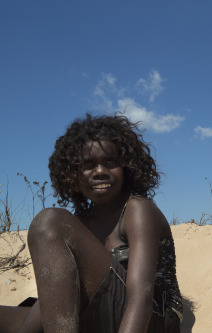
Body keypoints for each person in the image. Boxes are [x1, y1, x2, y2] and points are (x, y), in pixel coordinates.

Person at [0, 114, 182, 333]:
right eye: (88, 165)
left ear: (127, 168)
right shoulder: (82, 223)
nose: (100, 172)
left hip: (152, 320)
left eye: (111, 162)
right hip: (101, 313)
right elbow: (61, 293)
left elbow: (140, 298)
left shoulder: (138, 210)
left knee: (48, 222)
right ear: (72, 175)